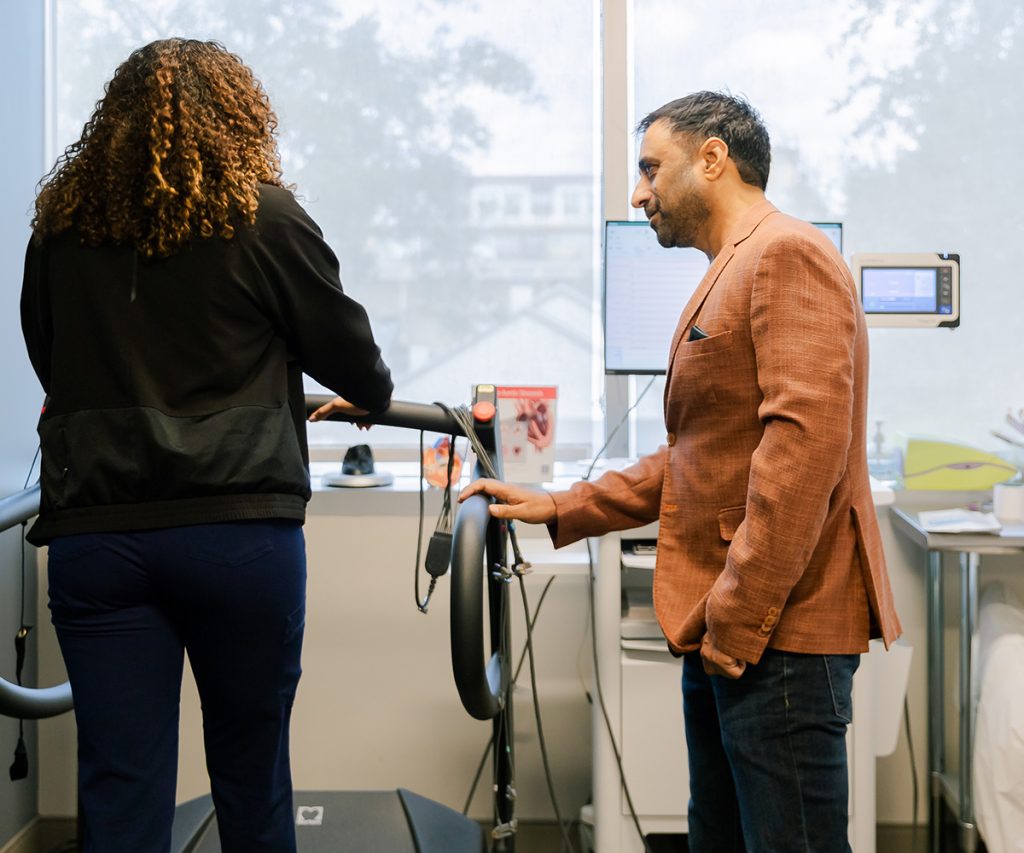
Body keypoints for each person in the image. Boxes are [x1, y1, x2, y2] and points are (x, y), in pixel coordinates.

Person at [461, 91, 901, 852]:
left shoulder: (785, 254)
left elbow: (804, 455)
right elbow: (704, 454)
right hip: (733, 624)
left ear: (713, 158)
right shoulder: (737, 262)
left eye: (650, 168)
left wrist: (735, 615)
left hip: (775, 629)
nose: (639, 194)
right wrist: (563, 505)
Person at [20, 38, 392, 853]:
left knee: (119, 785)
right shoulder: (264, 217)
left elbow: (51, 357)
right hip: (237, 532)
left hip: (100, 534)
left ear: (113, 125)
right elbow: (354, 361)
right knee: (252, 776)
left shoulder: (61, 229)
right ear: (237, 117)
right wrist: (366, 392)